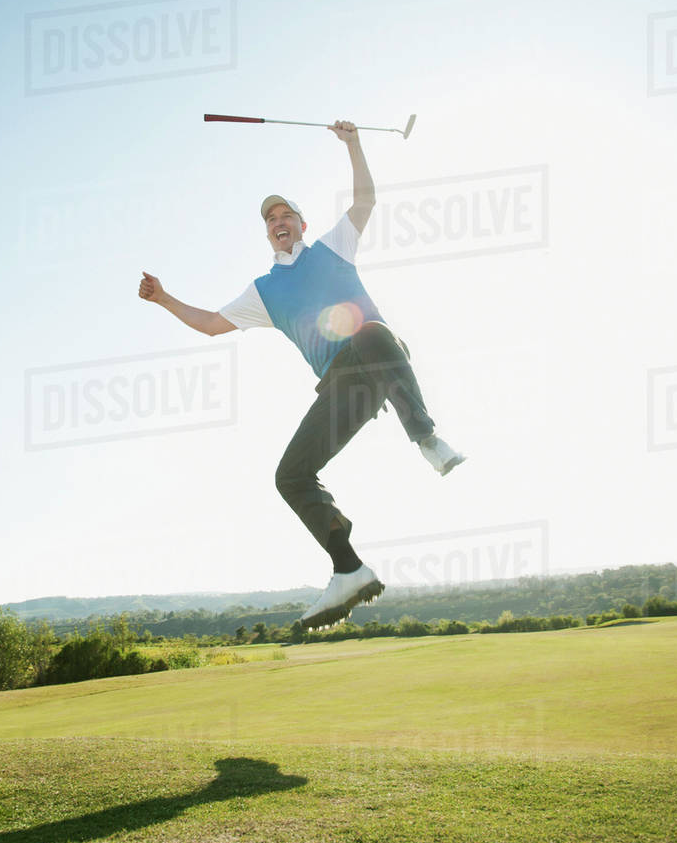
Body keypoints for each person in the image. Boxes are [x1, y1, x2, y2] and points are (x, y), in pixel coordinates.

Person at [138, 120, 465, 630]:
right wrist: (163, 298)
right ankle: (348, 568)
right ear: (268, 233)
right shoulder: (264, 292)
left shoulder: (334, 248)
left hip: (380, 359)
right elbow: (208, 325)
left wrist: (353, 144)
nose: (277, 220)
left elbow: (365, 200)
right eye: (270, 218)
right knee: (289, 476)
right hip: (341, 388)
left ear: (303, 224)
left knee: (370, 331)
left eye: (286, 213)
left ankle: (426, 438)